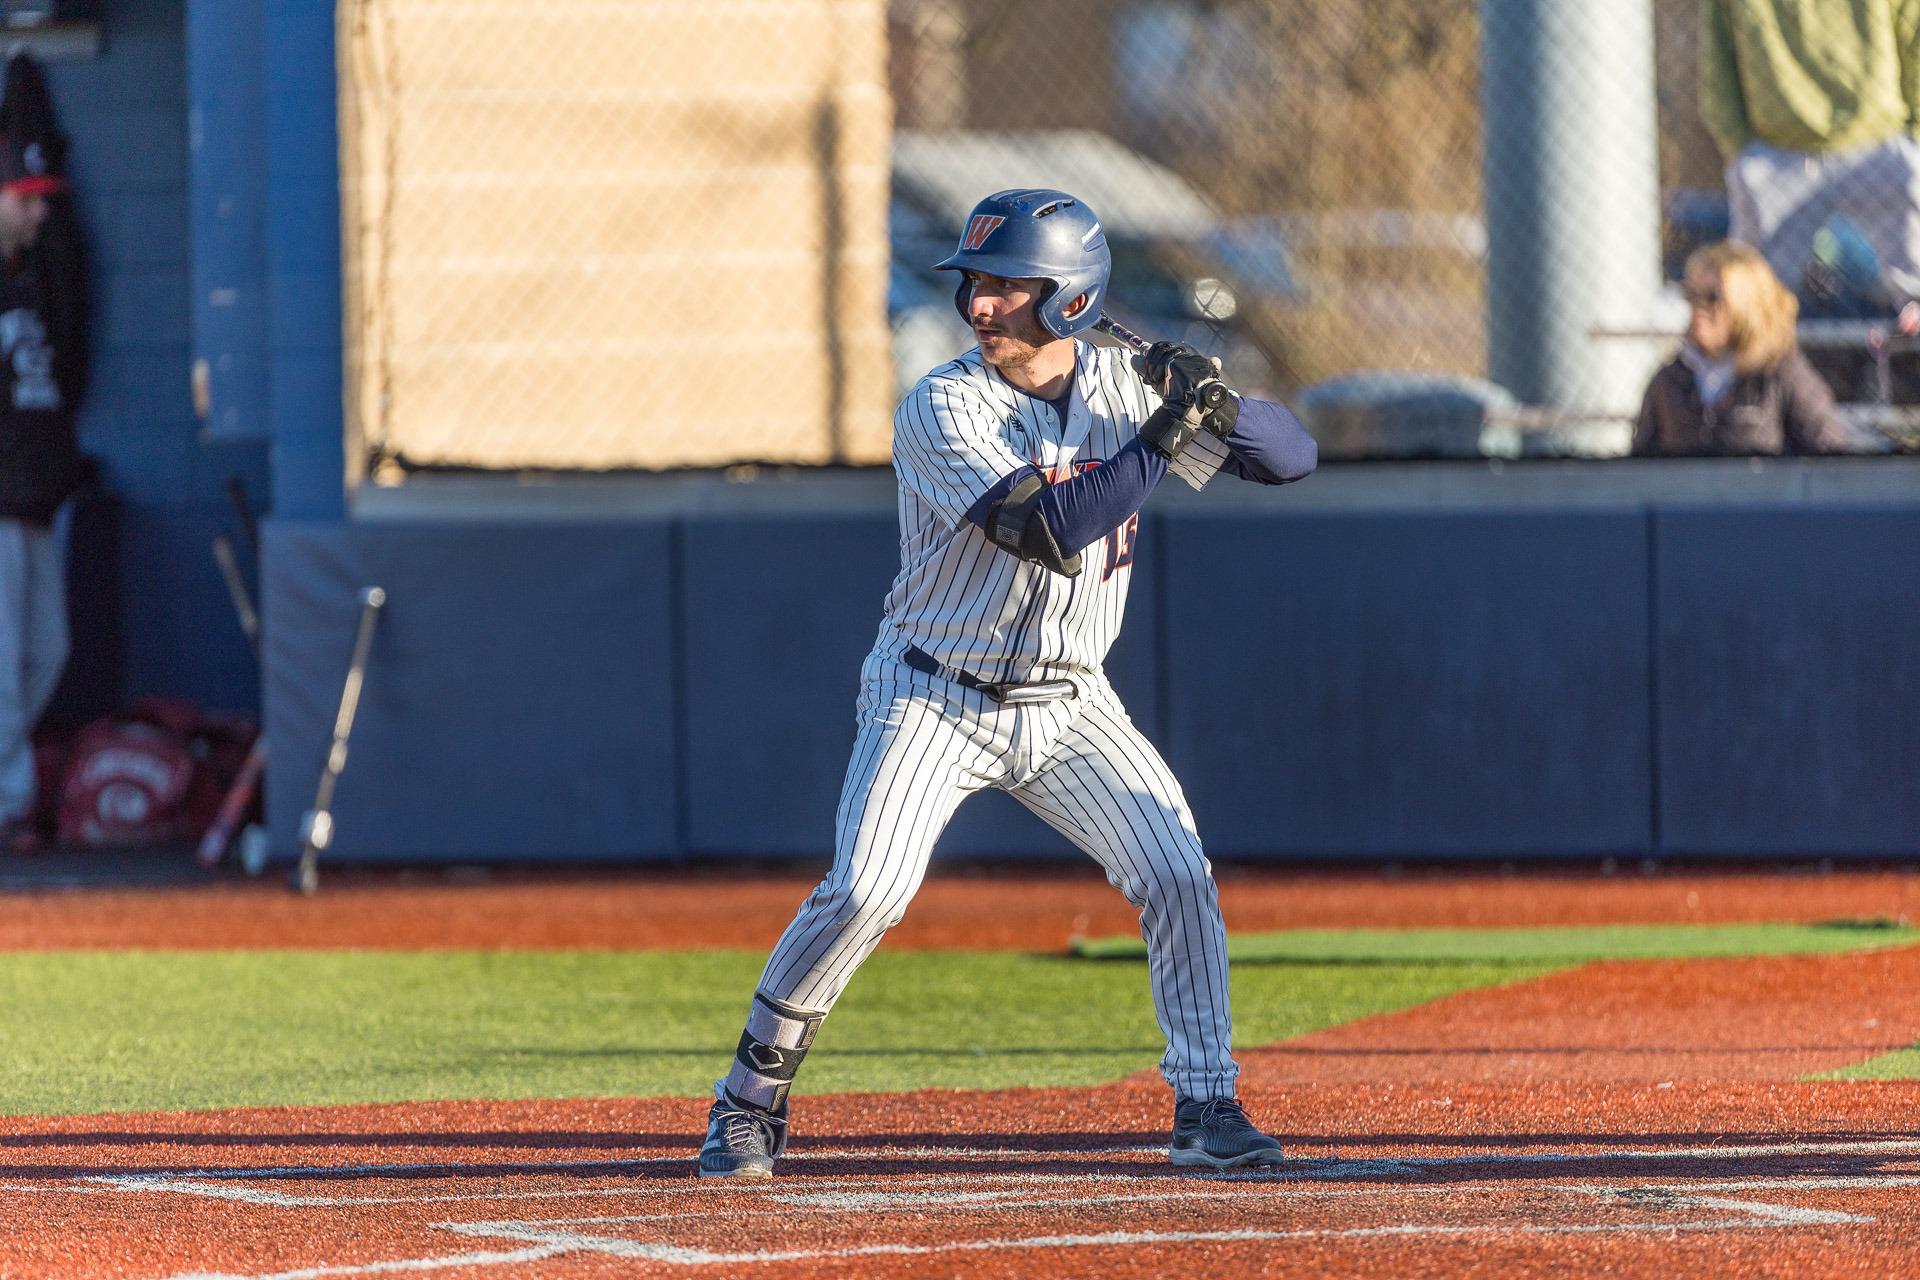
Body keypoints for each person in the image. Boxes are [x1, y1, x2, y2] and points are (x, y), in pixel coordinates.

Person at [697, 188, 1319, 1179]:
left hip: (1070, 700)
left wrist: (1219, 404)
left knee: (1176, 873)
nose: (980, 304)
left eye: (1007, 285)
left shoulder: (1124, 387)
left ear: (1071, 297)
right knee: (866, 889)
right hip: (933, 692)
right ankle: (748, 1098)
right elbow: (1049, 528)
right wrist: (1163, 436)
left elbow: (1292, 460)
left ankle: (1207, 1103)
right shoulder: (943, 403)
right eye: (975, 283)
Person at [1701, 0, 1920, 315]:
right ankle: (1753, 344)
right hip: (1777, 152)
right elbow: (1717, 60)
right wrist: (1739, 149)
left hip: (1877, 139)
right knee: (1749, 305)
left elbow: (1913, 33)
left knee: (1916, 290)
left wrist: (1915, 136)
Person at [0, 133, 81, 852]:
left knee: (47, 652)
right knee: (2, 663)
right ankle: (10, 804)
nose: (37, 213)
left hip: (32, 502)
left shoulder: (28, 279)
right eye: (22, 200)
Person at [1634, 240, 1850, 455]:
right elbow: (1640, 463)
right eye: (1691, 294)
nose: (1699, 306)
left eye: (1712, 297)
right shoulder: (1669, 380)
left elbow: (1829, 456)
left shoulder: (1781, 376)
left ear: (1746, 303)